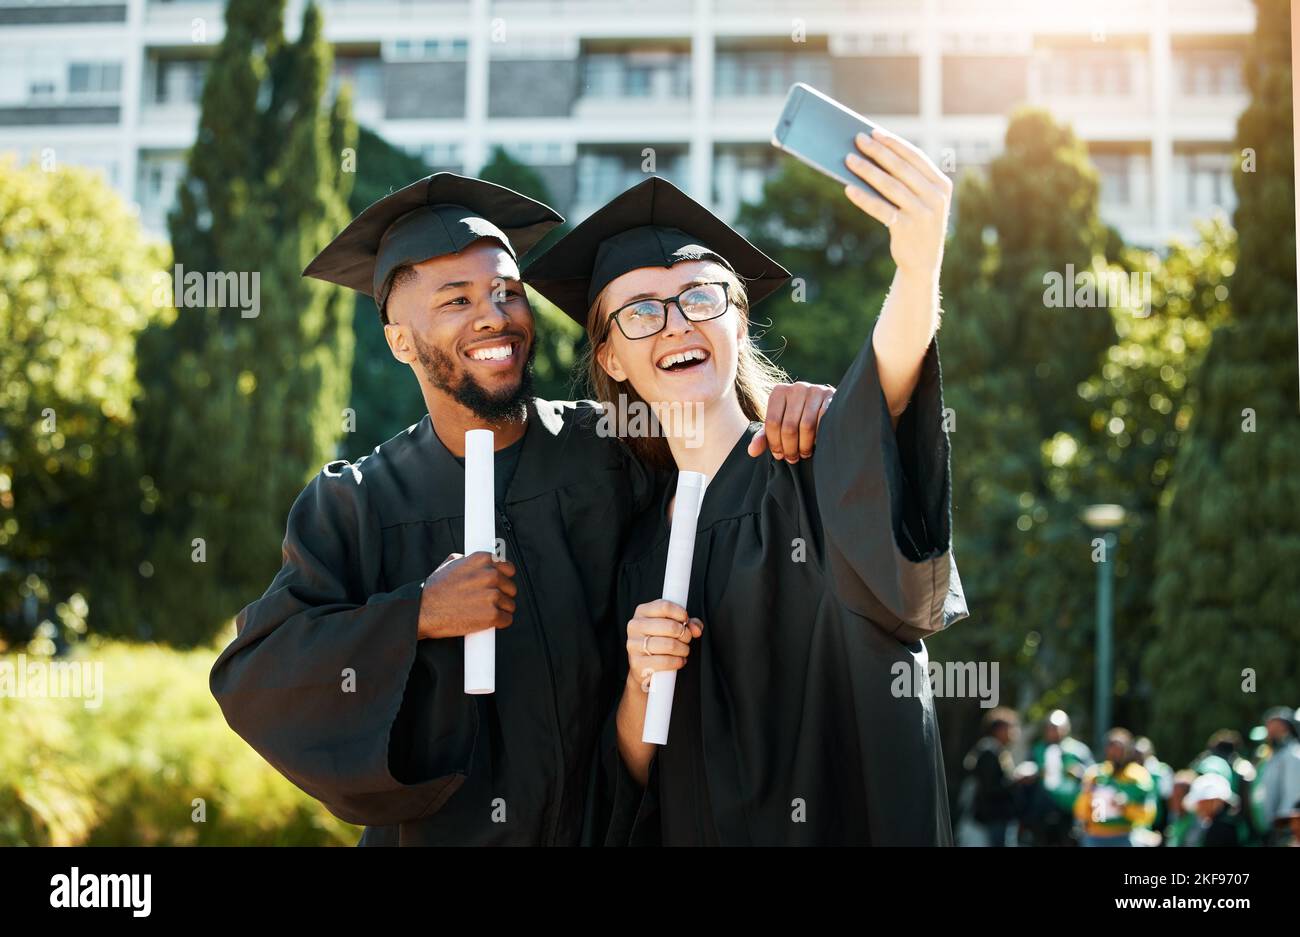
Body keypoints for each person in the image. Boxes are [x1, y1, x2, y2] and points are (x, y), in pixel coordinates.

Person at [208, 173, 831, 846]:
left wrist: (795, 413)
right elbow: (256, 677)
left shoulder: (614, 448)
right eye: (456, 300)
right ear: (400, 341)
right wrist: (418, 614)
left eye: (508, 291)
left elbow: (721, 453)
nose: (493, 316)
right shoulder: (359, 503)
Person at [525, 126, 968, 845]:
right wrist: (642, 679)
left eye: (700, 297)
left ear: (736, 316)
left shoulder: (811, 470)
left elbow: (886, 385)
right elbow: (628, 775)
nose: (675, 323)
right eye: (640, 311)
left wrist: (917, 270)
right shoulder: (634, 546)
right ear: (607, 353)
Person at [1074, 728, 1156, 846]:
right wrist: (1090, 796)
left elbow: (1148, 812)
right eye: (1112, 748)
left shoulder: (1138, 776)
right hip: (1095, 835)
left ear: (1128, 750)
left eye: (1119, 749)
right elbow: (1081, 810)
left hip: (1124, 835)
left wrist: (1125, 805)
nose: (1115, 754)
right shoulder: (1096, 774)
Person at [1026, 709, 1092, 845]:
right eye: (1050, 728)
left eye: (1057, 728)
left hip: (1069, 812)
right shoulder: (1038, 749)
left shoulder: (1078, 750)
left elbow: (1092, 775)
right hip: (1042, 810)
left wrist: (1078, 773)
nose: (1054, 732)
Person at [959, 708, 1022, 847]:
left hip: (995, 818)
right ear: (999, 729)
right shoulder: (989, 751)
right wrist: (1016, 780)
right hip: (991, 819)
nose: (1014, 732)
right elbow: (990, 787)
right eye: (1010, 728)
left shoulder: (997, 751)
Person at [1254, 705, 1300, 844]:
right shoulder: (1273, 756)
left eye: (1274, 727)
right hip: (1271, 828)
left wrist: (1285, 825)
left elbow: (1293, 793)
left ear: (1285, 728)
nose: (1269, 732)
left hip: (1284, 829)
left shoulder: (1293, 754)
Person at [1177, 773, 1243, 847]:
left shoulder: (1221, 828)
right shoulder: (1228, 821)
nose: (1198, 807)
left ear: (1214, 801)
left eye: (1201, 802)